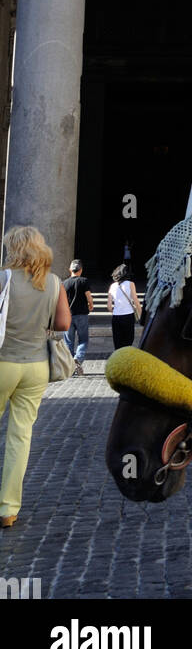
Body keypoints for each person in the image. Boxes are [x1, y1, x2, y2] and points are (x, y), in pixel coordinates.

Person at [0, 226, 71, 528]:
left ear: (13, 249)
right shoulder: (54, 282)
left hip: (3, 362)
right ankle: (8, 509)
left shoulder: (3, 278)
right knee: (20, 437)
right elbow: (64, 324)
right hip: (36, 366)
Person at [63, 258, 93, 378]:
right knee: (83, 339)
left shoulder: (64, 283)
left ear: (70, 270)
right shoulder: (84, 281)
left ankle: (70, 364)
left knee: (68, 342)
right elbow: (88, 296)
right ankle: (78, 359)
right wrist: (91, 305)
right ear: (80, 270)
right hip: (82, 314)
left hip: (68, 315)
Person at [107, 265, 139, 351]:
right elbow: (135, 300)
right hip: (128, 316)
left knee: (117, 343)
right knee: (128, 341)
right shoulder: (131, 284)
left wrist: (115, 310)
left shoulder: (112, 286)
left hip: (116, 317)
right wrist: (140, 313)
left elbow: (109, 306)